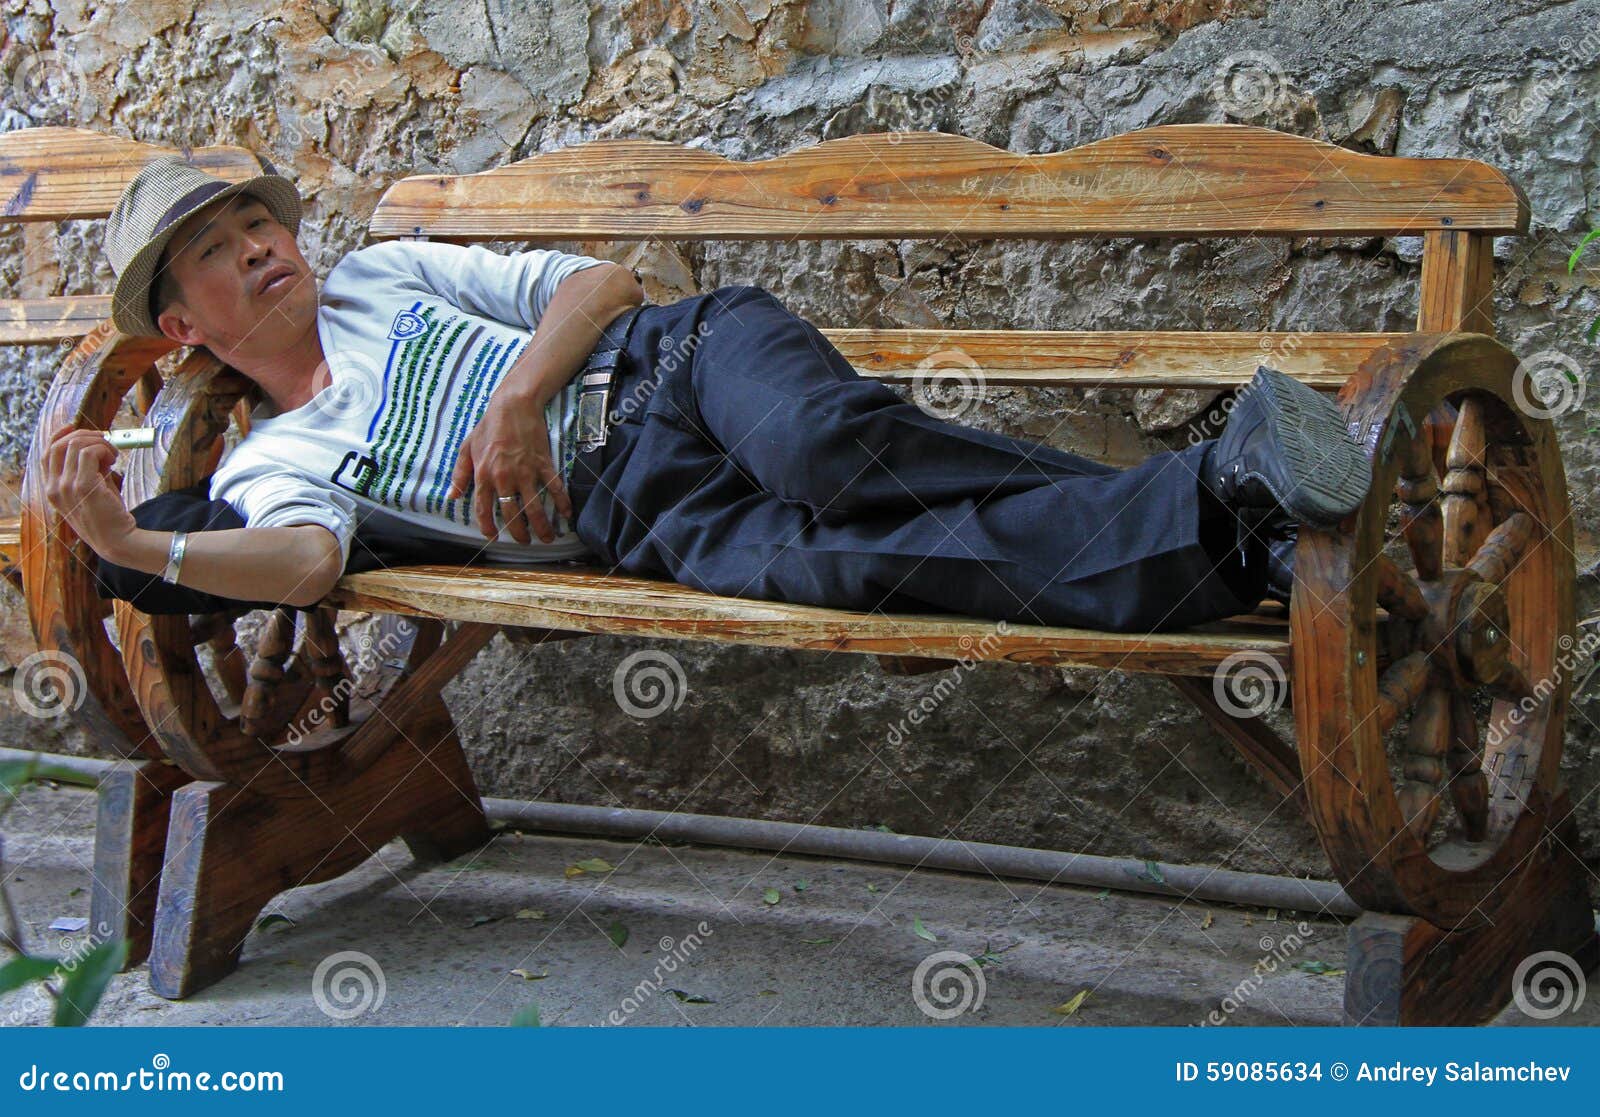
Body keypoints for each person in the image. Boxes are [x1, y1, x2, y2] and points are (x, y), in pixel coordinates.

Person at [42, 156, 1367, 634]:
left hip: (679, 364)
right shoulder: (275, 461)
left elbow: (604, 283)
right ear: (179, 326)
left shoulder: (384, 274)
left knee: (820, 450)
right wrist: (131, 544)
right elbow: (303, 563)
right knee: (868, 564)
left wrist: (514, 402)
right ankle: (1221, 506)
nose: (260, 248)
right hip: (646, 517)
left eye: (255, 224)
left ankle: (1219, 497)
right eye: (217, 251)